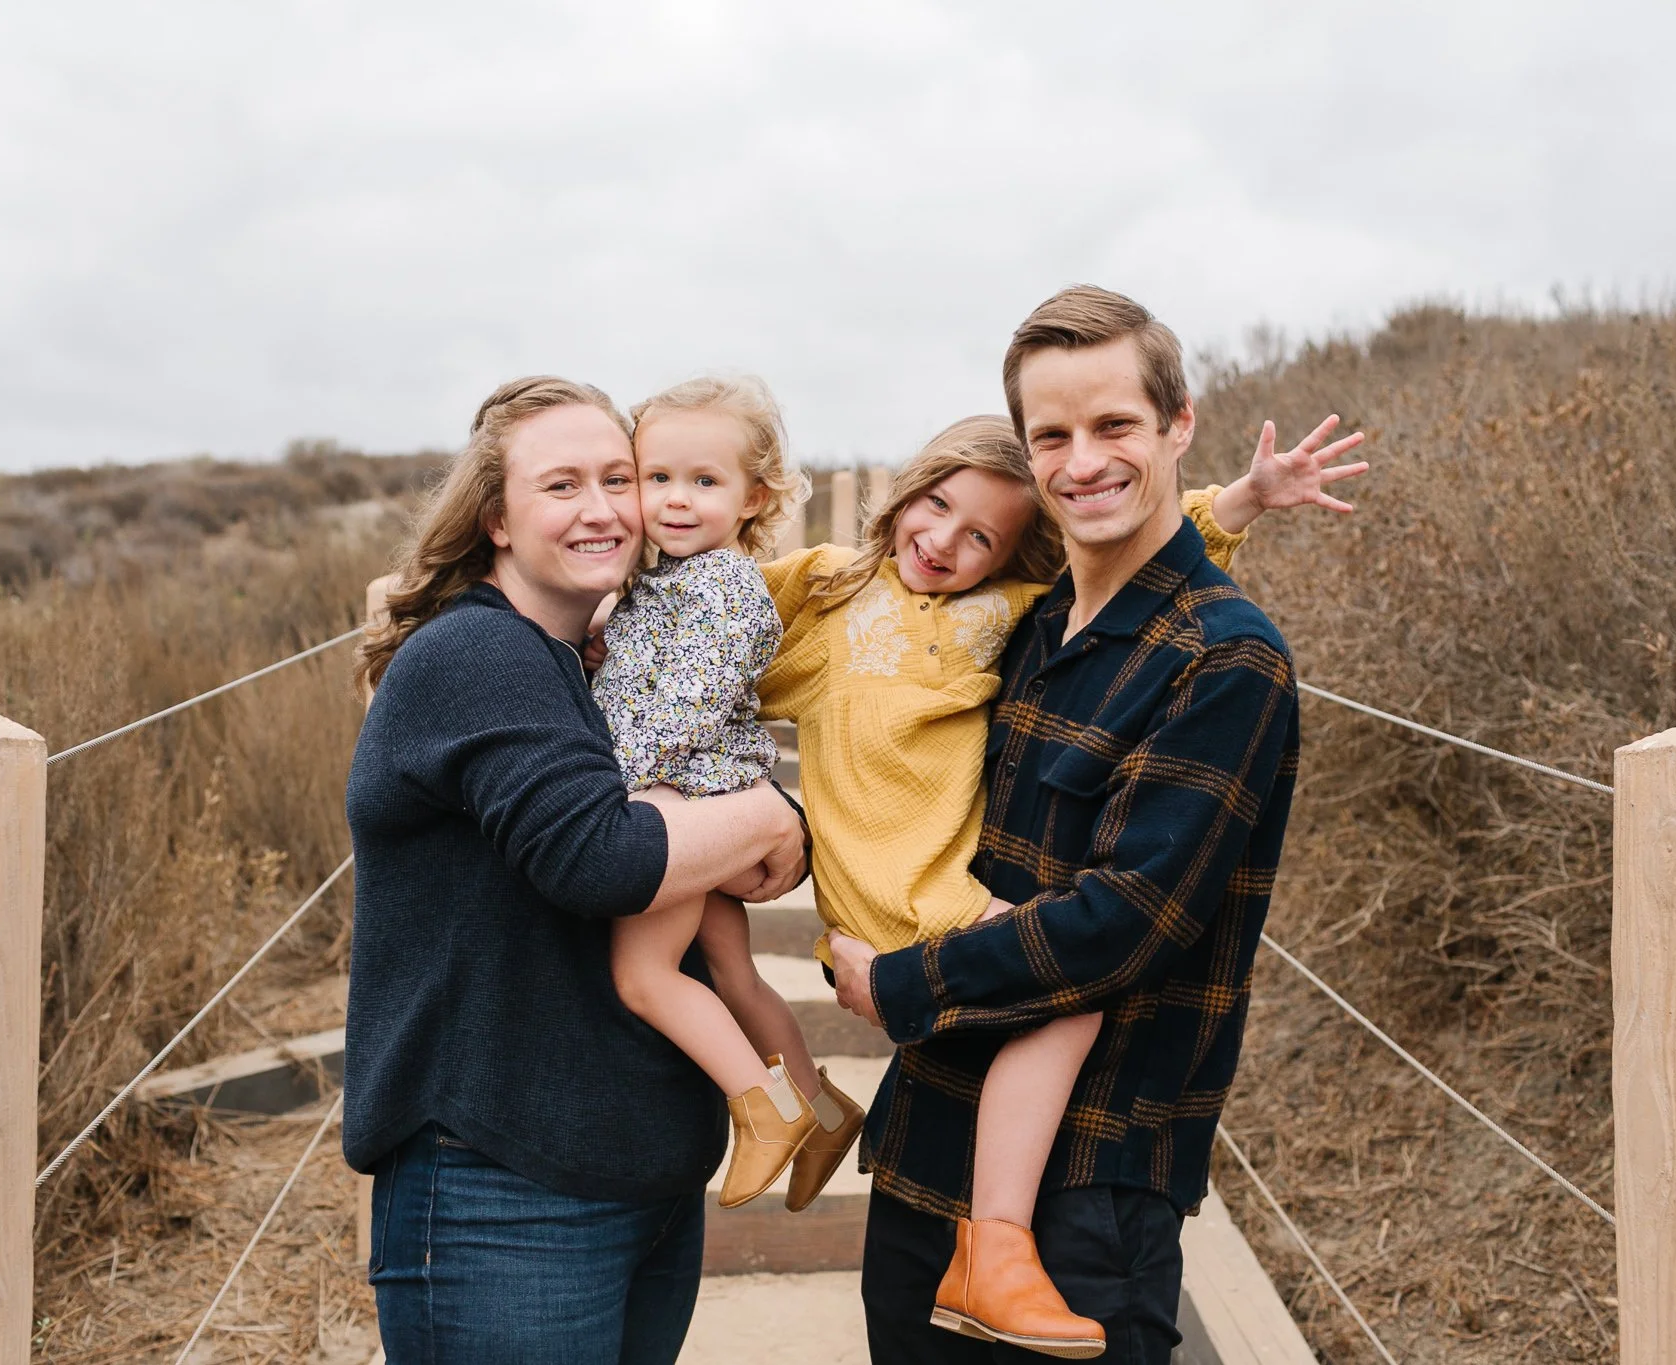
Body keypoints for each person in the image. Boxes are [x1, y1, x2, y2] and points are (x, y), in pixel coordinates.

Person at [831, 285, 1348, 1360]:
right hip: (929, 1140)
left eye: (1113, 425)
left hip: (1085, 1187)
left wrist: (903, 984)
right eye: (1050, 436)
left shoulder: (1223, 659)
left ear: (1177, 426)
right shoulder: (1023, 630)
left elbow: (1126, 920)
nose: (1082, 461)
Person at [752, 416, 1300, 1355]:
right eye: (936, 507)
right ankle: (985, 1231)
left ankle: (990, 1236)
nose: (945, 543)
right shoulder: (833, 604)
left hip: (954, 927)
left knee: (1068, 988)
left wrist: (1238, 502)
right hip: (900, 919)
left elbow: (1135, 561)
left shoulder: (1012, 617)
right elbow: (711, 628)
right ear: (905, 491)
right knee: (1063, 996)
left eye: (982, 539)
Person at [343, 375, 808, 1363]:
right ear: (496, 519)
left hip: (641, 1176)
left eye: (616, 477)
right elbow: (599, 860)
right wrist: (771, 811)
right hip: (502, 1193)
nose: (602, 509)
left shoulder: (593, 656)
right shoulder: (479, 654)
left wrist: (777, 823)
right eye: (561, 486)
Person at [596, 375, 859, 1211]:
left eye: (704, 482)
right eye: (657, 477)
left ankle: (763, 1108)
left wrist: (605, 783)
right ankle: (820, 1111)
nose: (676, 500)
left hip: (681, 795)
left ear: (755, 497)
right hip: (700, 790)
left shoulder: (720, 584)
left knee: (644, 974)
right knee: (734, 975)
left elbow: (691, 703)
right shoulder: (662, 582)